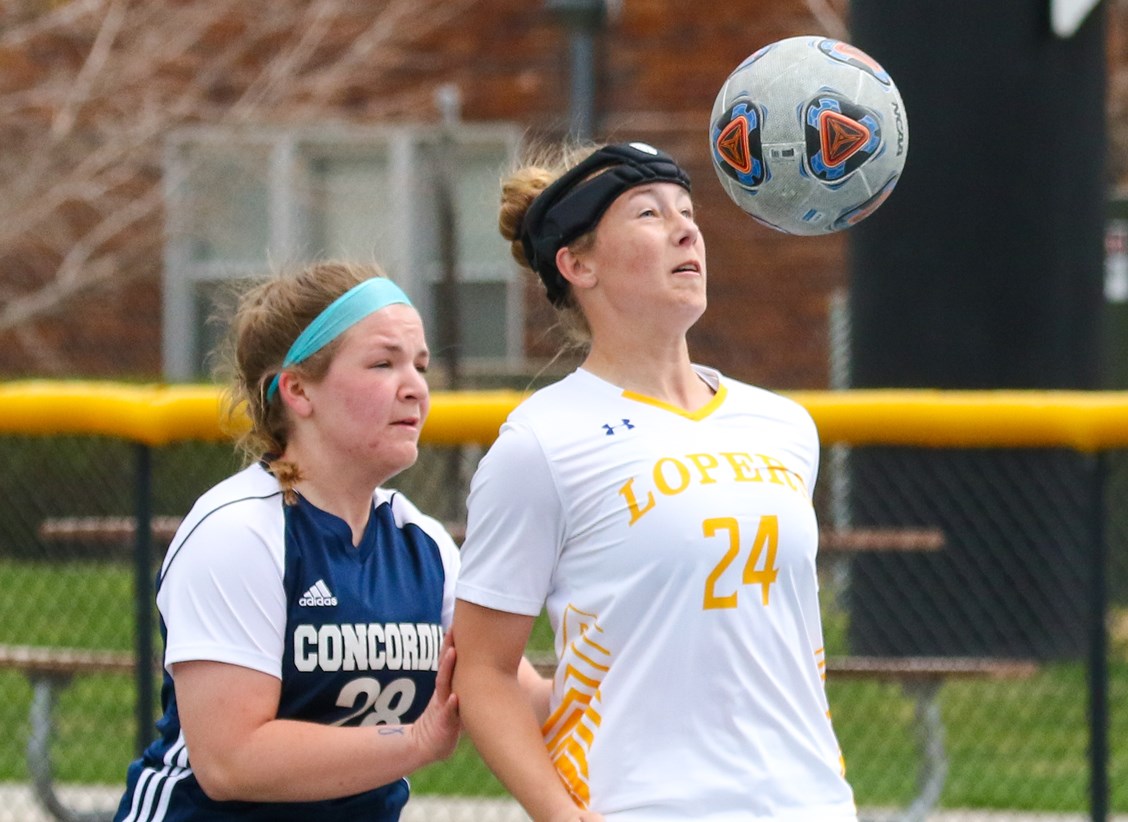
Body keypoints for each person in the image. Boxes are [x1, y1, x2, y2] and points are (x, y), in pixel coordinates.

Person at [452, 142, 858, 821]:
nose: (685, 229)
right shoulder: (542, 444)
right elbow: (484, 671)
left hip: (809, 803)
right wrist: (559, 813)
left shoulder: (783, 426)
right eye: (648, 212)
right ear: (577, 264)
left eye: (688, 211)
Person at [113, 260, 517, 821]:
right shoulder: (240, 531)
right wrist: (415, 741)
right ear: (298, 390)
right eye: (383, 363)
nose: (416, 388)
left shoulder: (420, 543)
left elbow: (505, 687)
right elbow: (231, 761)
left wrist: (622, 678)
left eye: (420, 366)